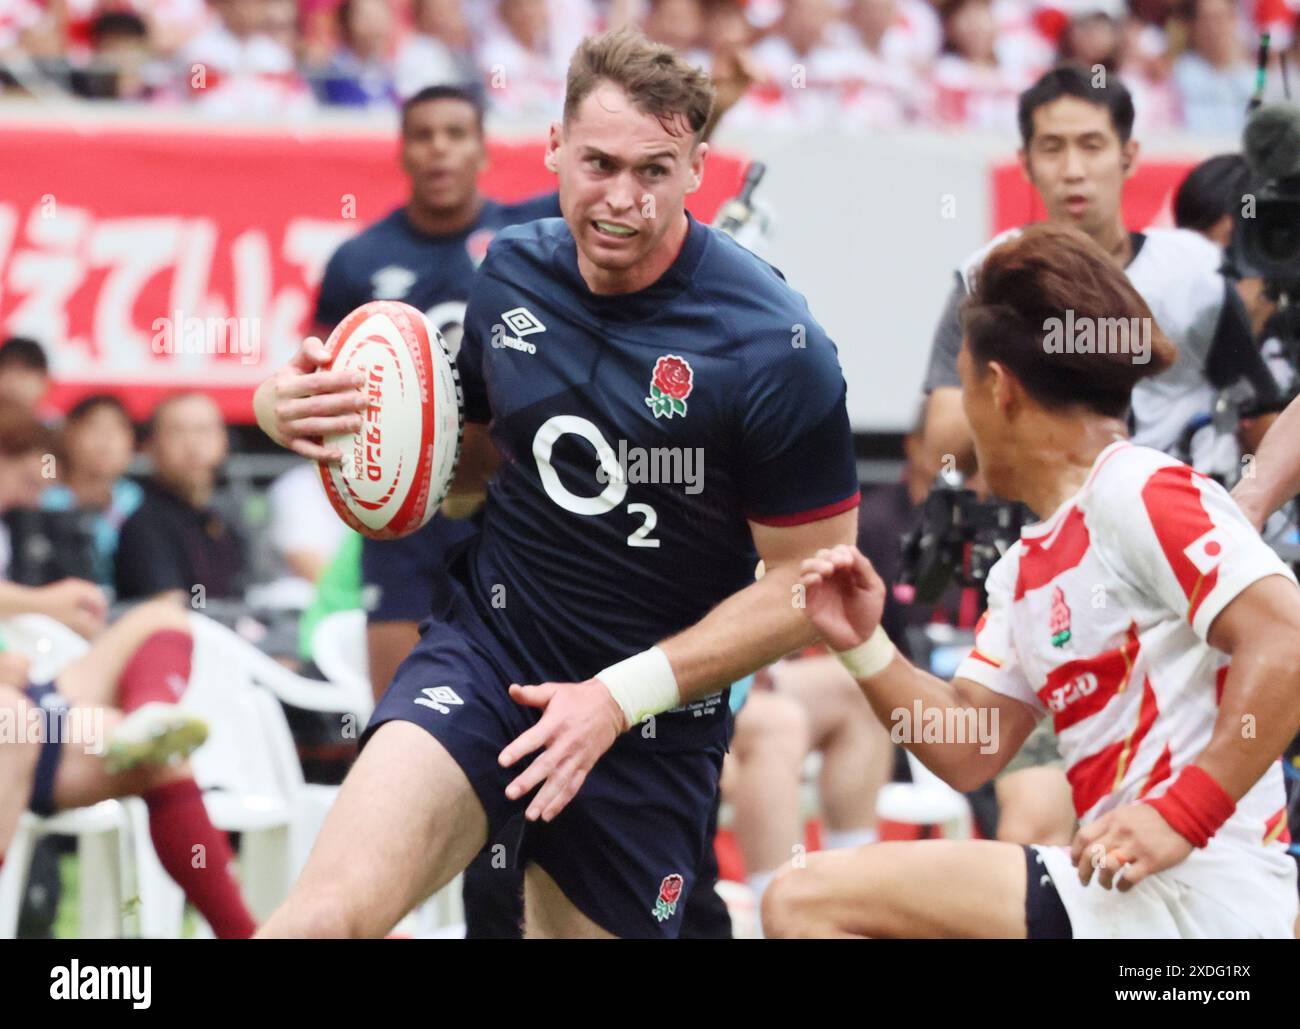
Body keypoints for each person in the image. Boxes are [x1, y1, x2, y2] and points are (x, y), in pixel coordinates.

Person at [253, 27, 860, 939]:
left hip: (649, 719)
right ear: (552, 149)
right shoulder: (511, 270)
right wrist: (305, 413)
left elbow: (814, 585)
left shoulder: (777, 347)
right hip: (491, 653)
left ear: (699, 165)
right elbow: (468, 471)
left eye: (655, 170)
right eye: (599, 163)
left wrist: (617, 698)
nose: (623, 201)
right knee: (322, 916)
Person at [763, 223, 1300, 939]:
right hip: (1124, 902)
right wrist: (863, 644)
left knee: (803, 901)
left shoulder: (1136, 487)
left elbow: (1288, 641)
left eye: (960, 378)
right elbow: (968, 745)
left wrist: (1181, 814)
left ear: (997, 386)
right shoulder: (1027, 563)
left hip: (1206, 916)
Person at [917, 66, 1281, 844]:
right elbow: (937, 447)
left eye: (1092, 144)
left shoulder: (1191, 273)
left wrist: (1243, 508)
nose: (1073, 167)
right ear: (1026, 161)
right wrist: (996, 369)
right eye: (1053, 147)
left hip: (1187, 587)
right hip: (1055, 587)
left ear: (1130, 154)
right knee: (1038, 824)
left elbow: (1259, 416)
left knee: (1216, 837)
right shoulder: (989, 280)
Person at [0, 596, 257, 939]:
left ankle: (149, 712)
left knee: (161, 616)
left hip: (28, 697)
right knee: (163, 758)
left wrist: (48, 607)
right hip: (13, 719)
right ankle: (245, 934)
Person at [113, 393, 247, 602]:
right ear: (150, 446)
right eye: (177, 432)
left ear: (224, 442)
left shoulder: (224, 519)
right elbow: (170, 607)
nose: (192, 444)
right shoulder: (144, 524)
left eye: (203, 431)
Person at [41, 395, 143, 590]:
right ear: (68, 435)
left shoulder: (140, 502)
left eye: (116, 429)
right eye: (93, 427)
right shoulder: (42, 500)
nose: (105, 440)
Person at [0, 337, 50, 415]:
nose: (14, 385)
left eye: (22, 375)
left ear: (44, 381)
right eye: (7, 372)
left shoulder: (59, 425)